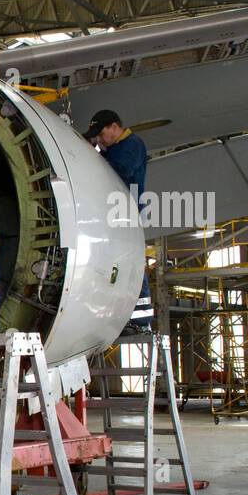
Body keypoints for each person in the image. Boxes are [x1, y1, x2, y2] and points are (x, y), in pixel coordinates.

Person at [85, 109, 154, 334]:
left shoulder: (133, 145)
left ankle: (142, 320)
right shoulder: (114, 149)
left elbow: (120, 171)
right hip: (115, 211)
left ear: (115, 127)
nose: (100, 140)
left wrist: (95, 155)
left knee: (131, 264)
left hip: (127, 211)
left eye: (101, 134)